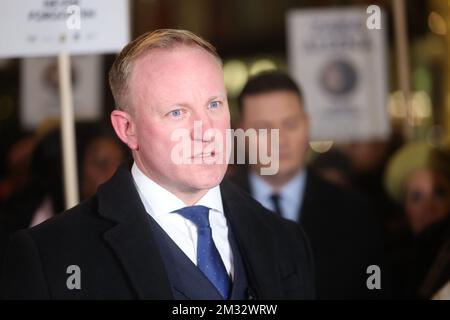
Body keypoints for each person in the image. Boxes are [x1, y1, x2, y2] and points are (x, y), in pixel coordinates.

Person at [0, 29, 314, 300]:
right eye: (177, 112)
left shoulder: (284, 238)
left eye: (214, 105)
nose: (207, 131)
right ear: (127, 129)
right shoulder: (49, 256)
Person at [230, 71, 388, 299]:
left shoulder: (356, 212)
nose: (280, 139)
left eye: (290, 125)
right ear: (242, 132)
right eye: (263, 128)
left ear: (307, 125)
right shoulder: (216, 211)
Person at [384, 142, 450, 299]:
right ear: (404, 207)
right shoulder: (389, 261)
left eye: (439, 193)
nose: (429, 207)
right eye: (417, 197)